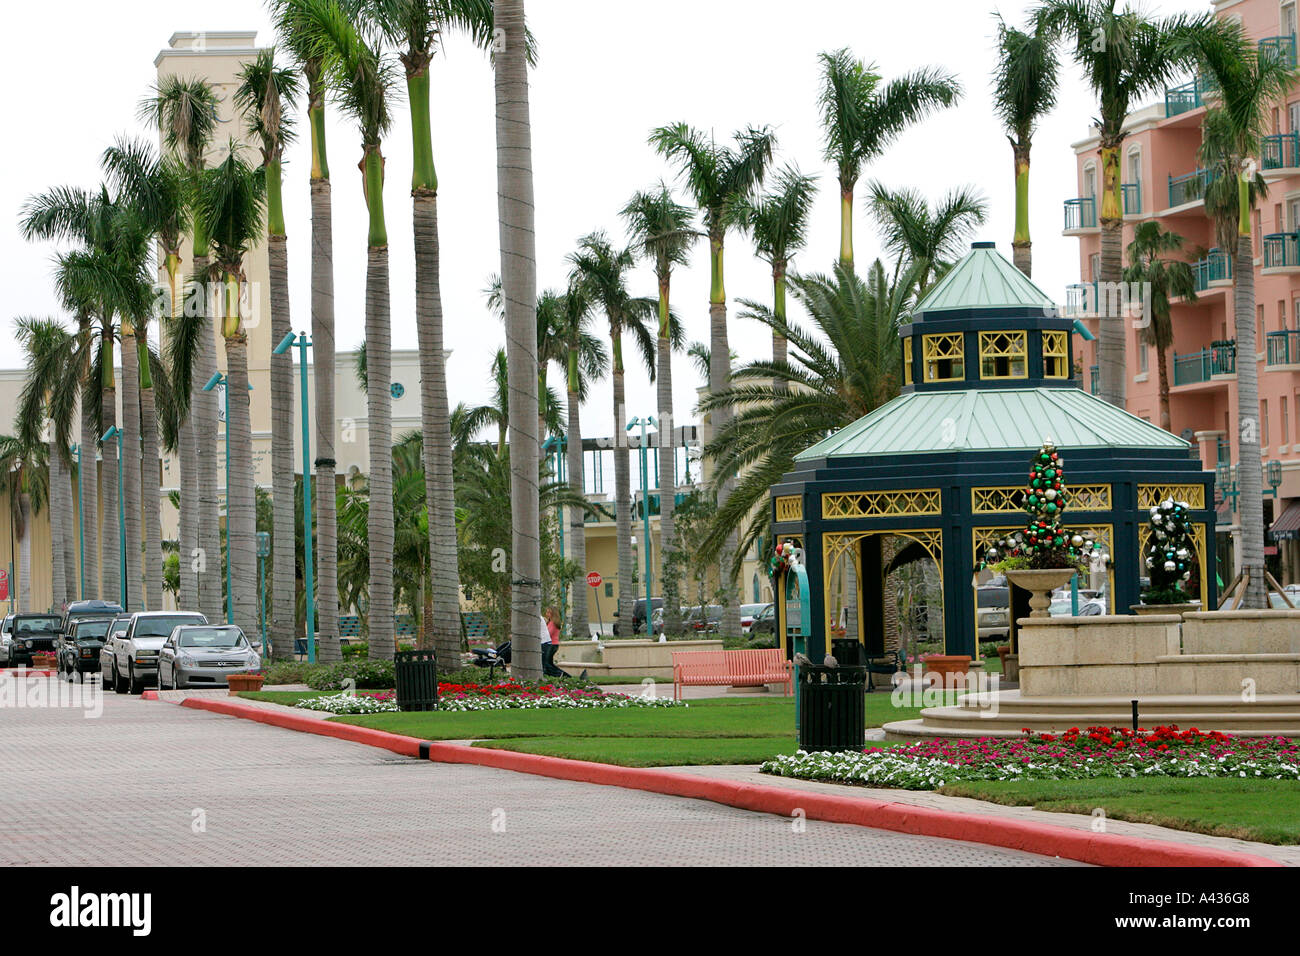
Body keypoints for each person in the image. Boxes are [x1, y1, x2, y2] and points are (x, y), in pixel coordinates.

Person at [541, 607, 565, 677]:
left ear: (553, 614)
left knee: (546, 664)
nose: (547, 614)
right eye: (547, 612)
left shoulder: (553, 623)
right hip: (554, 645)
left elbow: (548, 634)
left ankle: (560, 674)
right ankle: (560, 675)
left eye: (549, 612)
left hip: (551, 645)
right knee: (549, 663)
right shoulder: (551, 623)